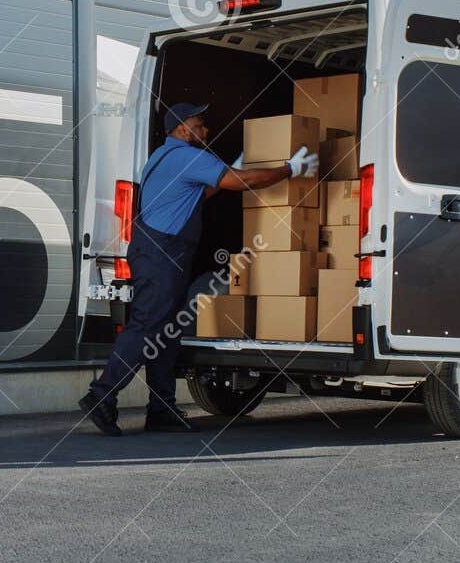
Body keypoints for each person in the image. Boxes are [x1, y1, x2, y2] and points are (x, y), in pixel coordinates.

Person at [79, 103, 318, 436]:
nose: (206, 131)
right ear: (181, 129)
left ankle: (162, 410)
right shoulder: (187, 157)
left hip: (159, 255)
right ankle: (101, 396)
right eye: (199, 125)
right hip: (162, 256)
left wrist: (225, 173)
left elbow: (196, 194)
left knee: (166, 333)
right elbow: (244, 181)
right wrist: (290, 169)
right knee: (147, 326)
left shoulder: (164, 156)